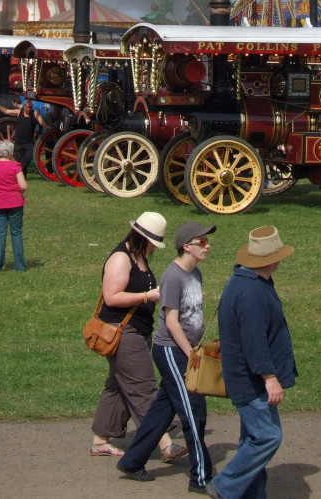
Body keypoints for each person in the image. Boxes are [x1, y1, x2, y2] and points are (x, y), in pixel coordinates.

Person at [116, 221, 217, 492]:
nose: (208, 247)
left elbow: (193, 316)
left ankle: (132, 460)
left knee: (163, 409)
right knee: (193, 411)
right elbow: (172, 322)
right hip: (173, 351)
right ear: (187, 246)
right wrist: (191, 354)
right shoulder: (172, 277)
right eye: (203, 242)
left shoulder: (195, 274)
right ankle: (201, 477)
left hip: (187, 350)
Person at [209, 225, 298, 499]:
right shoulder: (251, 291)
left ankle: (253, 495)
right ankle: (224, 487)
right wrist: (269, 378)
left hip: (245, 378)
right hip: (250, 381)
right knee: (267, 437)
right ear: (272, 259)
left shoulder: (248, 282)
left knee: (250, 439)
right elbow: (254, 341)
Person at [90, 211, 182, 462]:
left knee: (118, 387)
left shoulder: (138, 256)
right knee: (142, 387)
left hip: (137, 330)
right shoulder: (121, 258)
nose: (155, 248)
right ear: (142, 237)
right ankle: (165, 443)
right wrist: (147, 297)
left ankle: (100, 441)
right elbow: (111, 297)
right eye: (153, 242)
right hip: (122, 332)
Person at [0, 139, 27, 272]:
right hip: (14, 202)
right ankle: (20, 266)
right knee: (16, 234)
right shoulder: (15, 166)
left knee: (0, 234)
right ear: (11, 153)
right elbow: (23, 186)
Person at [0, 98, 43, 178]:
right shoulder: (19, 112)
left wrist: (46, 125)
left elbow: (40, 120)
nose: (29, 109)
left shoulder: (34, 113)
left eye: (30, 108)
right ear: (24, 107)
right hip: (18, 142)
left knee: (28, 157)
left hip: (29, 142)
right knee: (19, 159)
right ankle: (22, 175)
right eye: (27, 107)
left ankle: (15, 173)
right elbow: (6, 111)